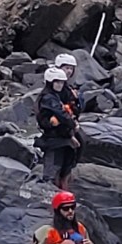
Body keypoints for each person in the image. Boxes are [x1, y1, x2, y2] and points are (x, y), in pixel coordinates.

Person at [35, 54, 82, 186]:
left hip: (64, 130)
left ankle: (63, 182)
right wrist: (71, 128)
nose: (69, 71)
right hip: (54, 134)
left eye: (71, 68)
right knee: (54, 160)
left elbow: (73, 109)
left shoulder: (66, 90)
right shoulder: (48, 97)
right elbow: (59, 114)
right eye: (66, 68)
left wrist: (75, 109)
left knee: (72, 153)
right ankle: (50, 185)